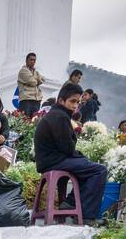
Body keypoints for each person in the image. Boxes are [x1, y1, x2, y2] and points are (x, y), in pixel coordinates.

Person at [34, 85, 109, 222]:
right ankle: (87, 216)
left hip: (51, 160)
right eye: (72, 101)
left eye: (78, 102)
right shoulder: (59, 116)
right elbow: (67, 148)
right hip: (53, 161)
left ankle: (70, 202)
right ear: (61, 101)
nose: (76, 106)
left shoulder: (57, 114)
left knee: (86, 167)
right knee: (99, 170)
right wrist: (80, 156)